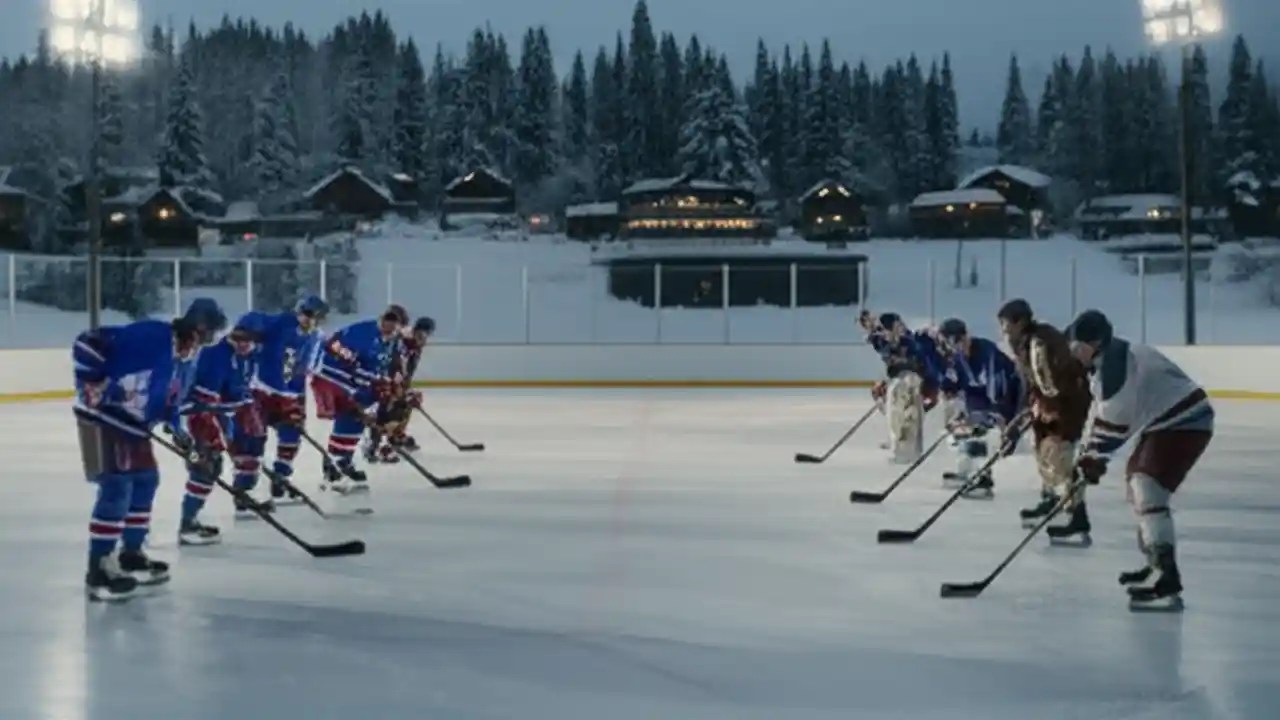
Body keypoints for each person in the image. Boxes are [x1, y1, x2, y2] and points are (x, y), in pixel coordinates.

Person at [1067, 309, 1213, 610]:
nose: (1074, 353)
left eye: (1078, 346)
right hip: (1167, 421)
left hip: (1184, 421)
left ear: (1095, 342)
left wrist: (1093, 459)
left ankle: (1166, 574)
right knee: (1137, 484)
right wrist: (1089, 454)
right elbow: (1103, 418)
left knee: (1147, 486)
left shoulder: (1115, 367)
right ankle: (1154, 562)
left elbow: (1115, 423)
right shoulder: (1109, 359)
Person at [73, 309, 211, 600]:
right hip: (104, 421)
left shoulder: (184, 361)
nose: (197, 345)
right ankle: (99, 567)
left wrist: (178, 430)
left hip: (135, 428)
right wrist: (93, 383)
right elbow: (86, 342)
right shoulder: (152, 334)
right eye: (199, 336)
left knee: (146, 480)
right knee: (116, 487)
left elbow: (170, 399)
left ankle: (131, 554)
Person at [996, 299, 1093, 543]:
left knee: (1059, 456)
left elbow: (1056, 381)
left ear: (1021, 322)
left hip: (1068, 404)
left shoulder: (1041, 342)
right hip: (1048, 403)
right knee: (1041, 449)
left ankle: (1077, 515)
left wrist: (1048, 406)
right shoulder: (1021, 343)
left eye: (1006, 323)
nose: (1003, 329)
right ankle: (1049, 499)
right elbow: (1032, 382)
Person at [237, 295, 329, 504]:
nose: (309, 319)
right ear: (298, 311)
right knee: (253, 439)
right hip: (262, 391)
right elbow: (253, 319)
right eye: (306, 314)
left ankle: (281, 478)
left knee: (291, 436)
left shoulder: (316, 337)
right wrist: (248, 330)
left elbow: (309, 369)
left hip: (290, 395)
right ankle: (244, 489)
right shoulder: (281, 322)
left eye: (315, 316)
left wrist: (298, 397)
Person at [178, 315, 263, 538]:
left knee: (247, 448)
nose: (244, 343)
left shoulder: (249, 356)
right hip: (200, 415)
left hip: (220, 414)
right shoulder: (215, 355)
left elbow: (238, 390)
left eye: (249, 339)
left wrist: (245, 408)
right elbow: (204, 400)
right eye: (239, 337)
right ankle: (187, 523)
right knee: (206, 465)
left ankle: (241, 495)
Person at [312, 305, 407, 494]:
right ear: (381, 319)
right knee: (351, 415)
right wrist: (371, 377)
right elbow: (334, 347)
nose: (389, 326)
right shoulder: (363, 331)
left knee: (360, 416)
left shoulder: (392, 341)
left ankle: (343, 460)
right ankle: (333, 466)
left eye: (394, 323)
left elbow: (383, 367)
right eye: (387, 321)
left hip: (353, 382)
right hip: (333, 379)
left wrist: (390, 383)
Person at [936, 317, 1023, 499]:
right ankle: (966, 469)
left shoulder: (987, 353)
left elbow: (1000, 388)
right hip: (981, 397)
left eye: (957, 341)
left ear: (965, 336)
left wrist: (995, 415)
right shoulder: (958, 357)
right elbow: (953, 382)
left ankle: (983, 478)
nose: (955, 347)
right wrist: (949, 393)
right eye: (950, 343)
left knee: (980, 431)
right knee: (959, 425)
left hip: (1009, 398)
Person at [870, 313, 943, 463]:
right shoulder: (884, 343)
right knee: (895, 404)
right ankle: (900, 443)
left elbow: (922, 367)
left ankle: (909, 449)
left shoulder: (912, 342)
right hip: (910, 384)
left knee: (903, 397)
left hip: (924, 384)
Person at [366, 316, 433, 462]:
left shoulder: (415, 345)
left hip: (394, 380)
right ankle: (375, 444)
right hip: (383, 379)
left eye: (426, 336)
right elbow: (394, 364)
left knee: (406, 403)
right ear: (416, 331)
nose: (423, 339)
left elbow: (408, 369)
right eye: (421, 335)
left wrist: (405, 388)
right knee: (387, 409)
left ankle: (395, 435)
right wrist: (398, 386)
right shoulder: (401, 342)